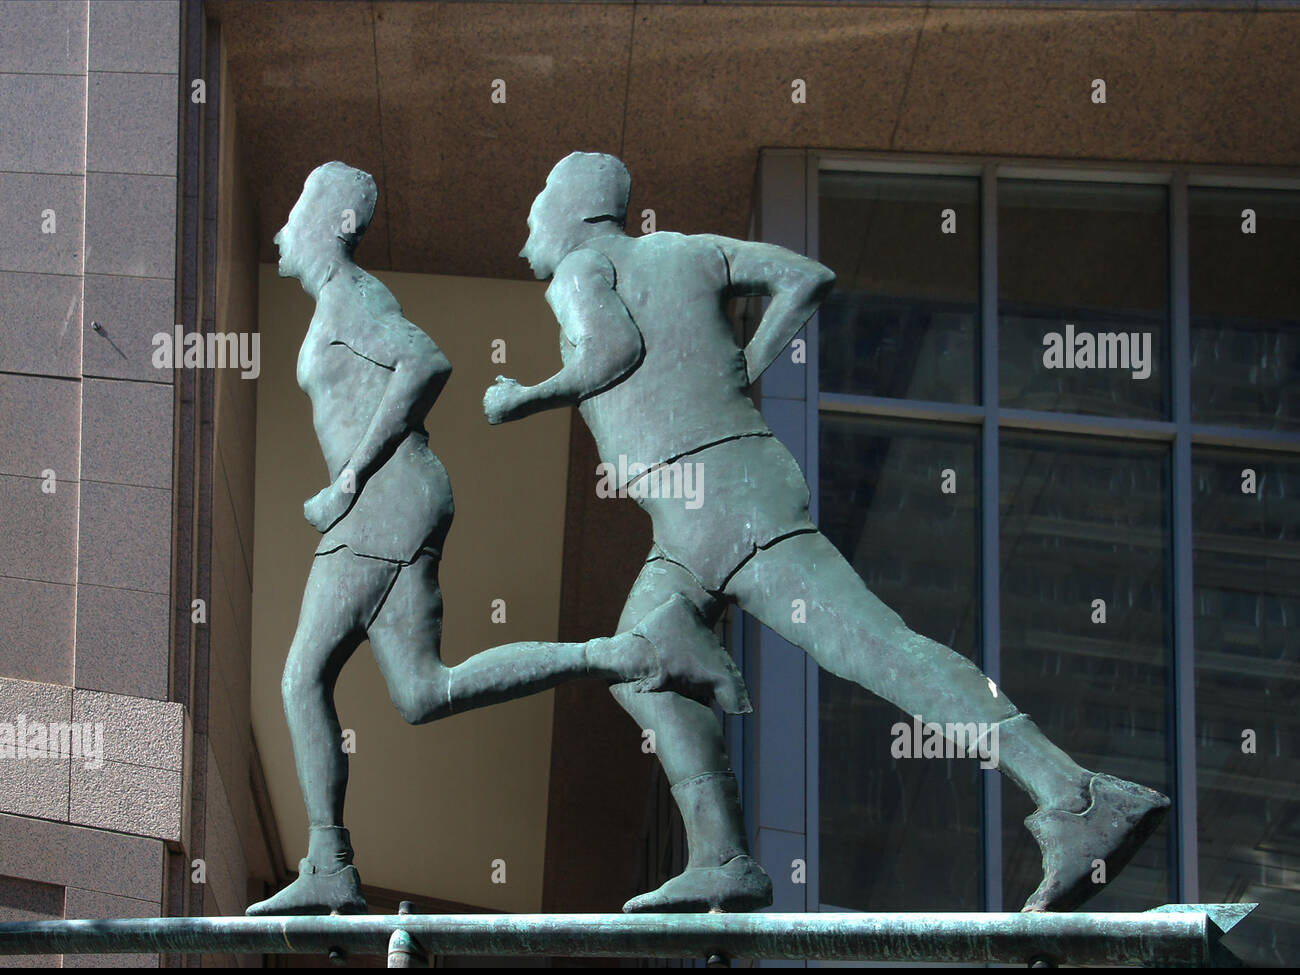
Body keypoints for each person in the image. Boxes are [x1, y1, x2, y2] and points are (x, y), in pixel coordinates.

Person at [484, 151, 1171, 914]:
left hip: (719, 501)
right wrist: (740, 370)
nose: (525, 232)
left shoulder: (582, 270)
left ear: (575, 212)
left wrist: (526, 396)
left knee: (872, 643)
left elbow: (611, 350)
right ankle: (720, 858)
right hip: (700, 512)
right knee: (648, 667)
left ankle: (1076, 795)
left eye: (534, 208)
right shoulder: (687, 250)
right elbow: (806, 275)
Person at [247, 161, 748, 916]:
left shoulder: (352, 296)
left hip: (379, 508)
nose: (284, 229)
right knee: (420, 692)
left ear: (330, 227)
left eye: (299, 212)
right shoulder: (334, 303)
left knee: (299, 678)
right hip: (391, 508)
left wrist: (349, 478)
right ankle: (627, 652)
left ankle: (328, 862)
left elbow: (426, 361)